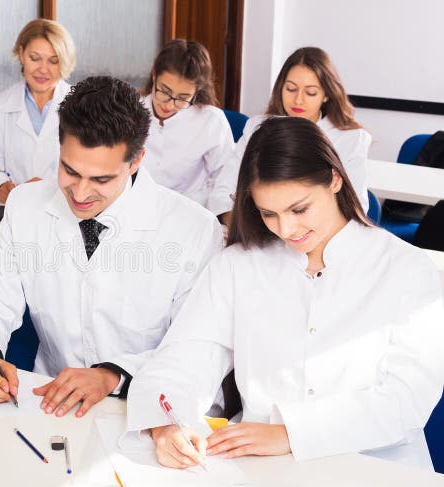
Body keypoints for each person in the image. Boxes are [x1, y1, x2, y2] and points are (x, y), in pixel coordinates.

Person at [125, 117, 444, 470]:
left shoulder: (407, 270)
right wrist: (167, 421)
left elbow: (406, 401)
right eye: (268, 214)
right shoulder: (238, 266)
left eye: (299, 209)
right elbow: (188, 354)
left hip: (376, 467)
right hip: (259, 468)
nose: (286, 229)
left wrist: (291, 433)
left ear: (335, 179)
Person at [0, 76, 223, 418]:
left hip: (151, 409)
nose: (79, 194)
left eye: (101, 179)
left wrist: (111, 375)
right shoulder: (25, 205)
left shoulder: (194, 229)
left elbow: (198, 347)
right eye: (69, 170)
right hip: (50, 408)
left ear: (136, 161)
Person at [225, 47, 371, 212]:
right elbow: (224, 188)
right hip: (254, 229)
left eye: (310, 92)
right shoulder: (256, 127)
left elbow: (355, 207)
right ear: (280, 87)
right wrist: (239, 224)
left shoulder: (352, 139)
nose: (298, 100)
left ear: (326, 95)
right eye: (291, 89)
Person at [0, 18, 76, 203]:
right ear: (22, 54)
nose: (43, 69)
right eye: (35, 58)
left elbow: (94, 169)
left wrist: (49, 187)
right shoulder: (0, 106)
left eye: (53, 61)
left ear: (64, 62)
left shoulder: (81, 105)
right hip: (16, 210)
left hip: (67, 208)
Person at [139, 39, 235, 223]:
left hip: (192, 213)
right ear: (154, 75)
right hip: (138, 210)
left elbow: (226, 180)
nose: (169, 104)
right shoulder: (128, 111)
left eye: (183, 98)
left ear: (197, 91)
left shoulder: (211, 121)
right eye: (164, 91)